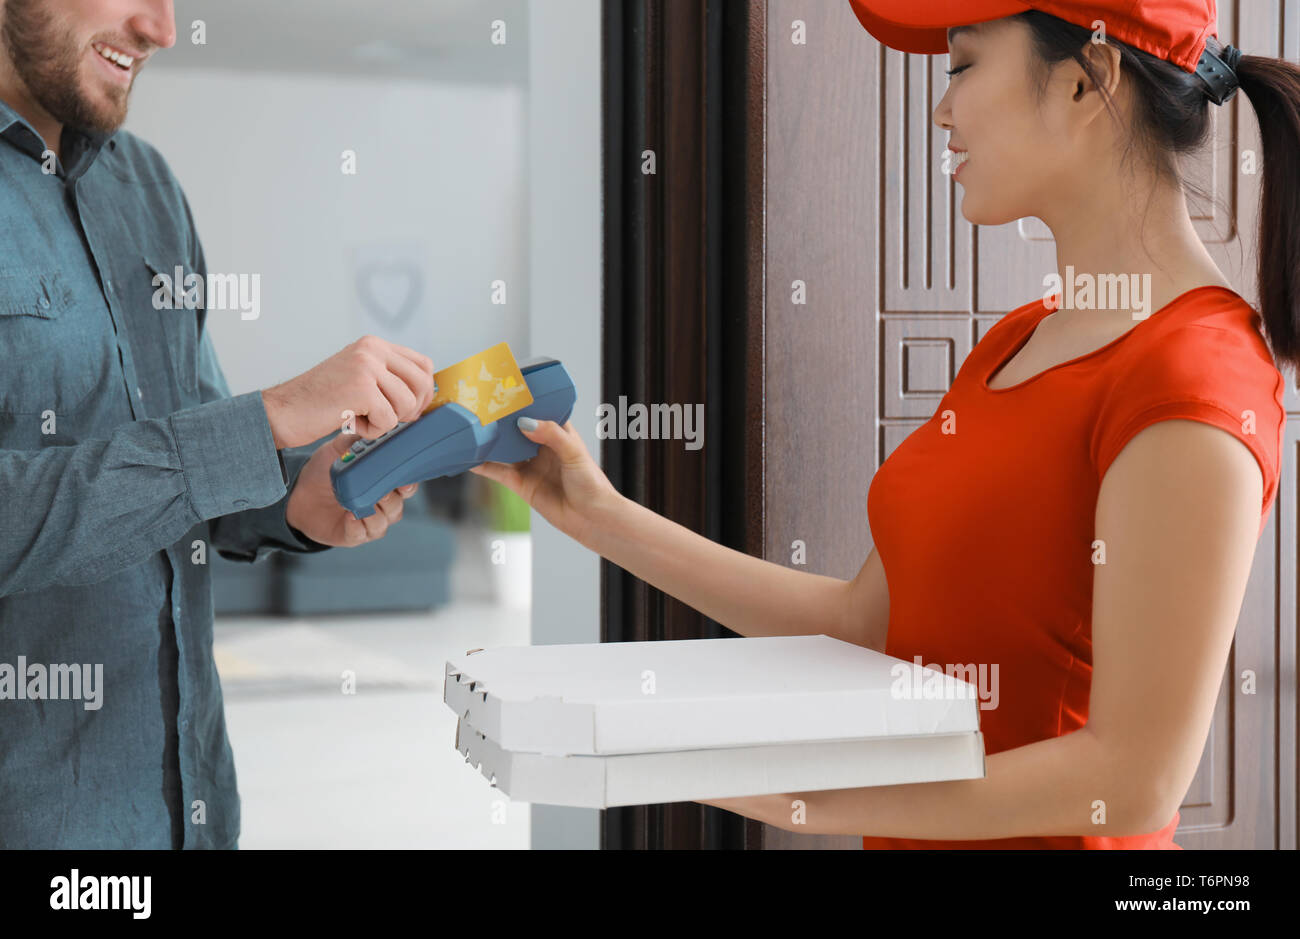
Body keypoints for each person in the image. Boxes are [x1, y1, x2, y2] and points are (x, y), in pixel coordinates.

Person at [476, 0, 1300, 848]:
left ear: (1090, 82)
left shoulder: (1193, 377)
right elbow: (865, 626)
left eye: (964, 66)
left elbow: (1132, 779)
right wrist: (594, 513)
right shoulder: (1021, 338)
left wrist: (787, 791)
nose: (942, 108)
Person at [0, 0, 436, 848]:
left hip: (190, 810)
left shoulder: (149, 189)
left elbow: (193, 459)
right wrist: (265, 417)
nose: (162, 28)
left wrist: (298, 501)